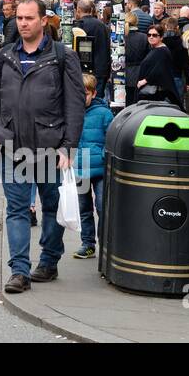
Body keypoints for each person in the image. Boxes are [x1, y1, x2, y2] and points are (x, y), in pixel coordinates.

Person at [0, 0, 85, 294]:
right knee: (16, 210)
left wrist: (69, 146)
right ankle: (19, 271)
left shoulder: (63, 57)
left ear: (43, 21)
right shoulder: (5, 56)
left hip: (50, 149)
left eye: (29, 18)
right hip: (12, 146)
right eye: (20, 18)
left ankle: (50, 260)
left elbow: (75, 105)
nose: (23, 23)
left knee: (52, 208)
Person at [73, 73, 113, 260]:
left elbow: (112, 139)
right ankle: (88, 244)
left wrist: (104, 156)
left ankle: (105, 243)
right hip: (80, 168)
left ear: (94, 93)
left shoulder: (104, 113)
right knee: (84, 208)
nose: (82, 97)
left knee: (102, 206)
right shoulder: (71, 112)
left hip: (100, 168)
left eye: (86, 93)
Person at [72, 0, 111, 95]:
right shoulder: (102, 25)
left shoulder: (79, 26)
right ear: (92, 10)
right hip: (101, 69)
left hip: (85, 71)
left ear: (78, 10)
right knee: (97, 98)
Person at [136, 23, 178, 102]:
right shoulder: (155, 49)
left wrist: (145, 81)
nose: (151, 37)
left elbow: (159, 70)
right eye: (149, 35)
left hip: (155, 92)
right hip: (150, 90)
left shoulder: (162, 51)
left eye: (154, 35)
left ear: (161, 37)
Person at [160, 16, 189, 103]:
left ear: (165, 26)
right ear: (177, 27)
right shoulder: (181, 43)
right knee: (178, 103)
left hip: (164, 77)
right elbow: (186, 63)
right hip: (177, 76)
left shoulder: (161, 42)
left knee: (164, 104)